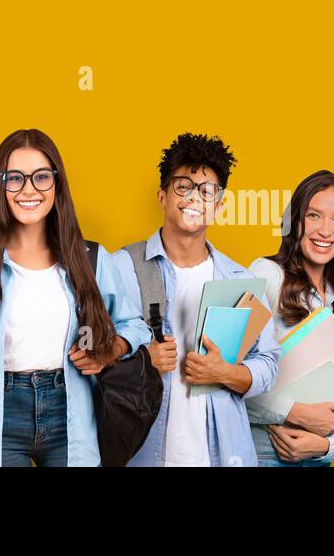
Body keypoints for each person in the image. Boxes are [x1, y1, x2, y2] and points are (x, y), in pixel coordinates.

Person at [0, 128, 150, 467]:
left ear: (57, 183)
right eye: (15, 178)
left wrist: (110, 350)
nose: (29, 190)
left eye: (41, 177)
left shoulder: (90, 258)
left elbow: (135, 326)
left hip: (72, 411)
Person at [113, 132, 280, 467]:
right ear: (162, 196)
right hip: (141, 454)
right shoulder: (121, 267)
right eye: (183, 186)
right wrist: (142, 360)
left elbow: (269, 363)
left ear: (218, 206)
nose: (194, 198)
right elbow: (94, 358)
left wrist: (227, 373)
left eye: (207, 191)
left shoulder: (241, 280)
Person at [247, 170, 334, 466]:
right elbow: (225, 379)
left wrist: (326, 445)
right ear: (295, 221)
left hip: (318, 459)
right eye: (314, 216)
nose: (326, 231)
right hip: (262, 457)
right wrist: (294, 412)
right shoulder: (265, 275)